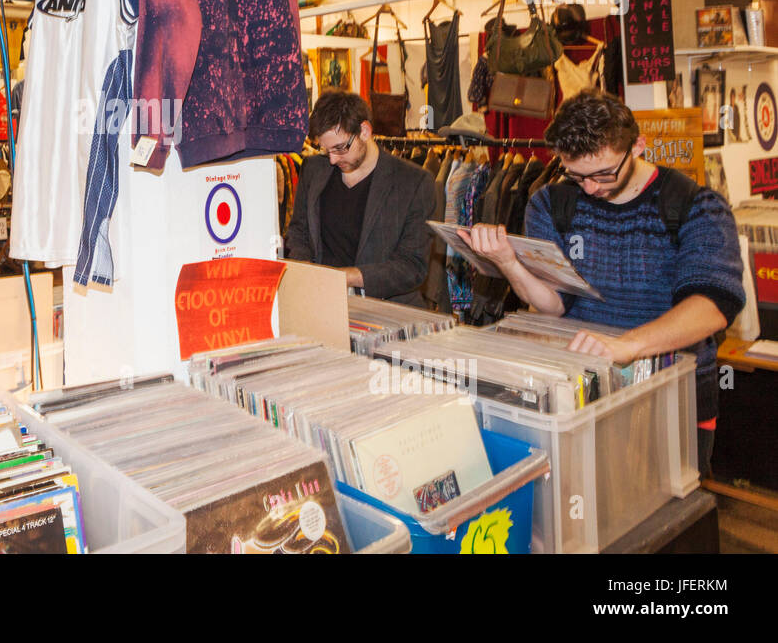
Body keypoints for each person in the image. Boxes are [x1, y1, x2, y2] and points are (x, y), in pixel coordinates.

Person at [459, 90, 744, 473]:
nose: (591, 188)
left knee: (672, 513)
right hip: (585, 389)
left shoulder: (694, 205)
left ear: (638, 146)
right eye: (576, 175)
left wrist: (626, 346)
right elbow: (554, 304)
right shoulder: (552, 203)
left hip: (676, 394)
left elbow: (712, 307)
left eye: (603, 173)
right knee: (592, 509)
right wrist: (508, 263)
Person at [286, 90, 437, 306]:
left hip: (387, 311)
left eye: (340, 148)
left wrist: (348, 277)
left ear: (365, 131)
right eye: (326, 150)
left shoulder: (414, 183)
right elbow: (298, 231)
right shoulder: (313, 170)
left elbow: (412, 266)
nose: (332, 159)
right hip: (323, 304)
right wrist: (310, 273)